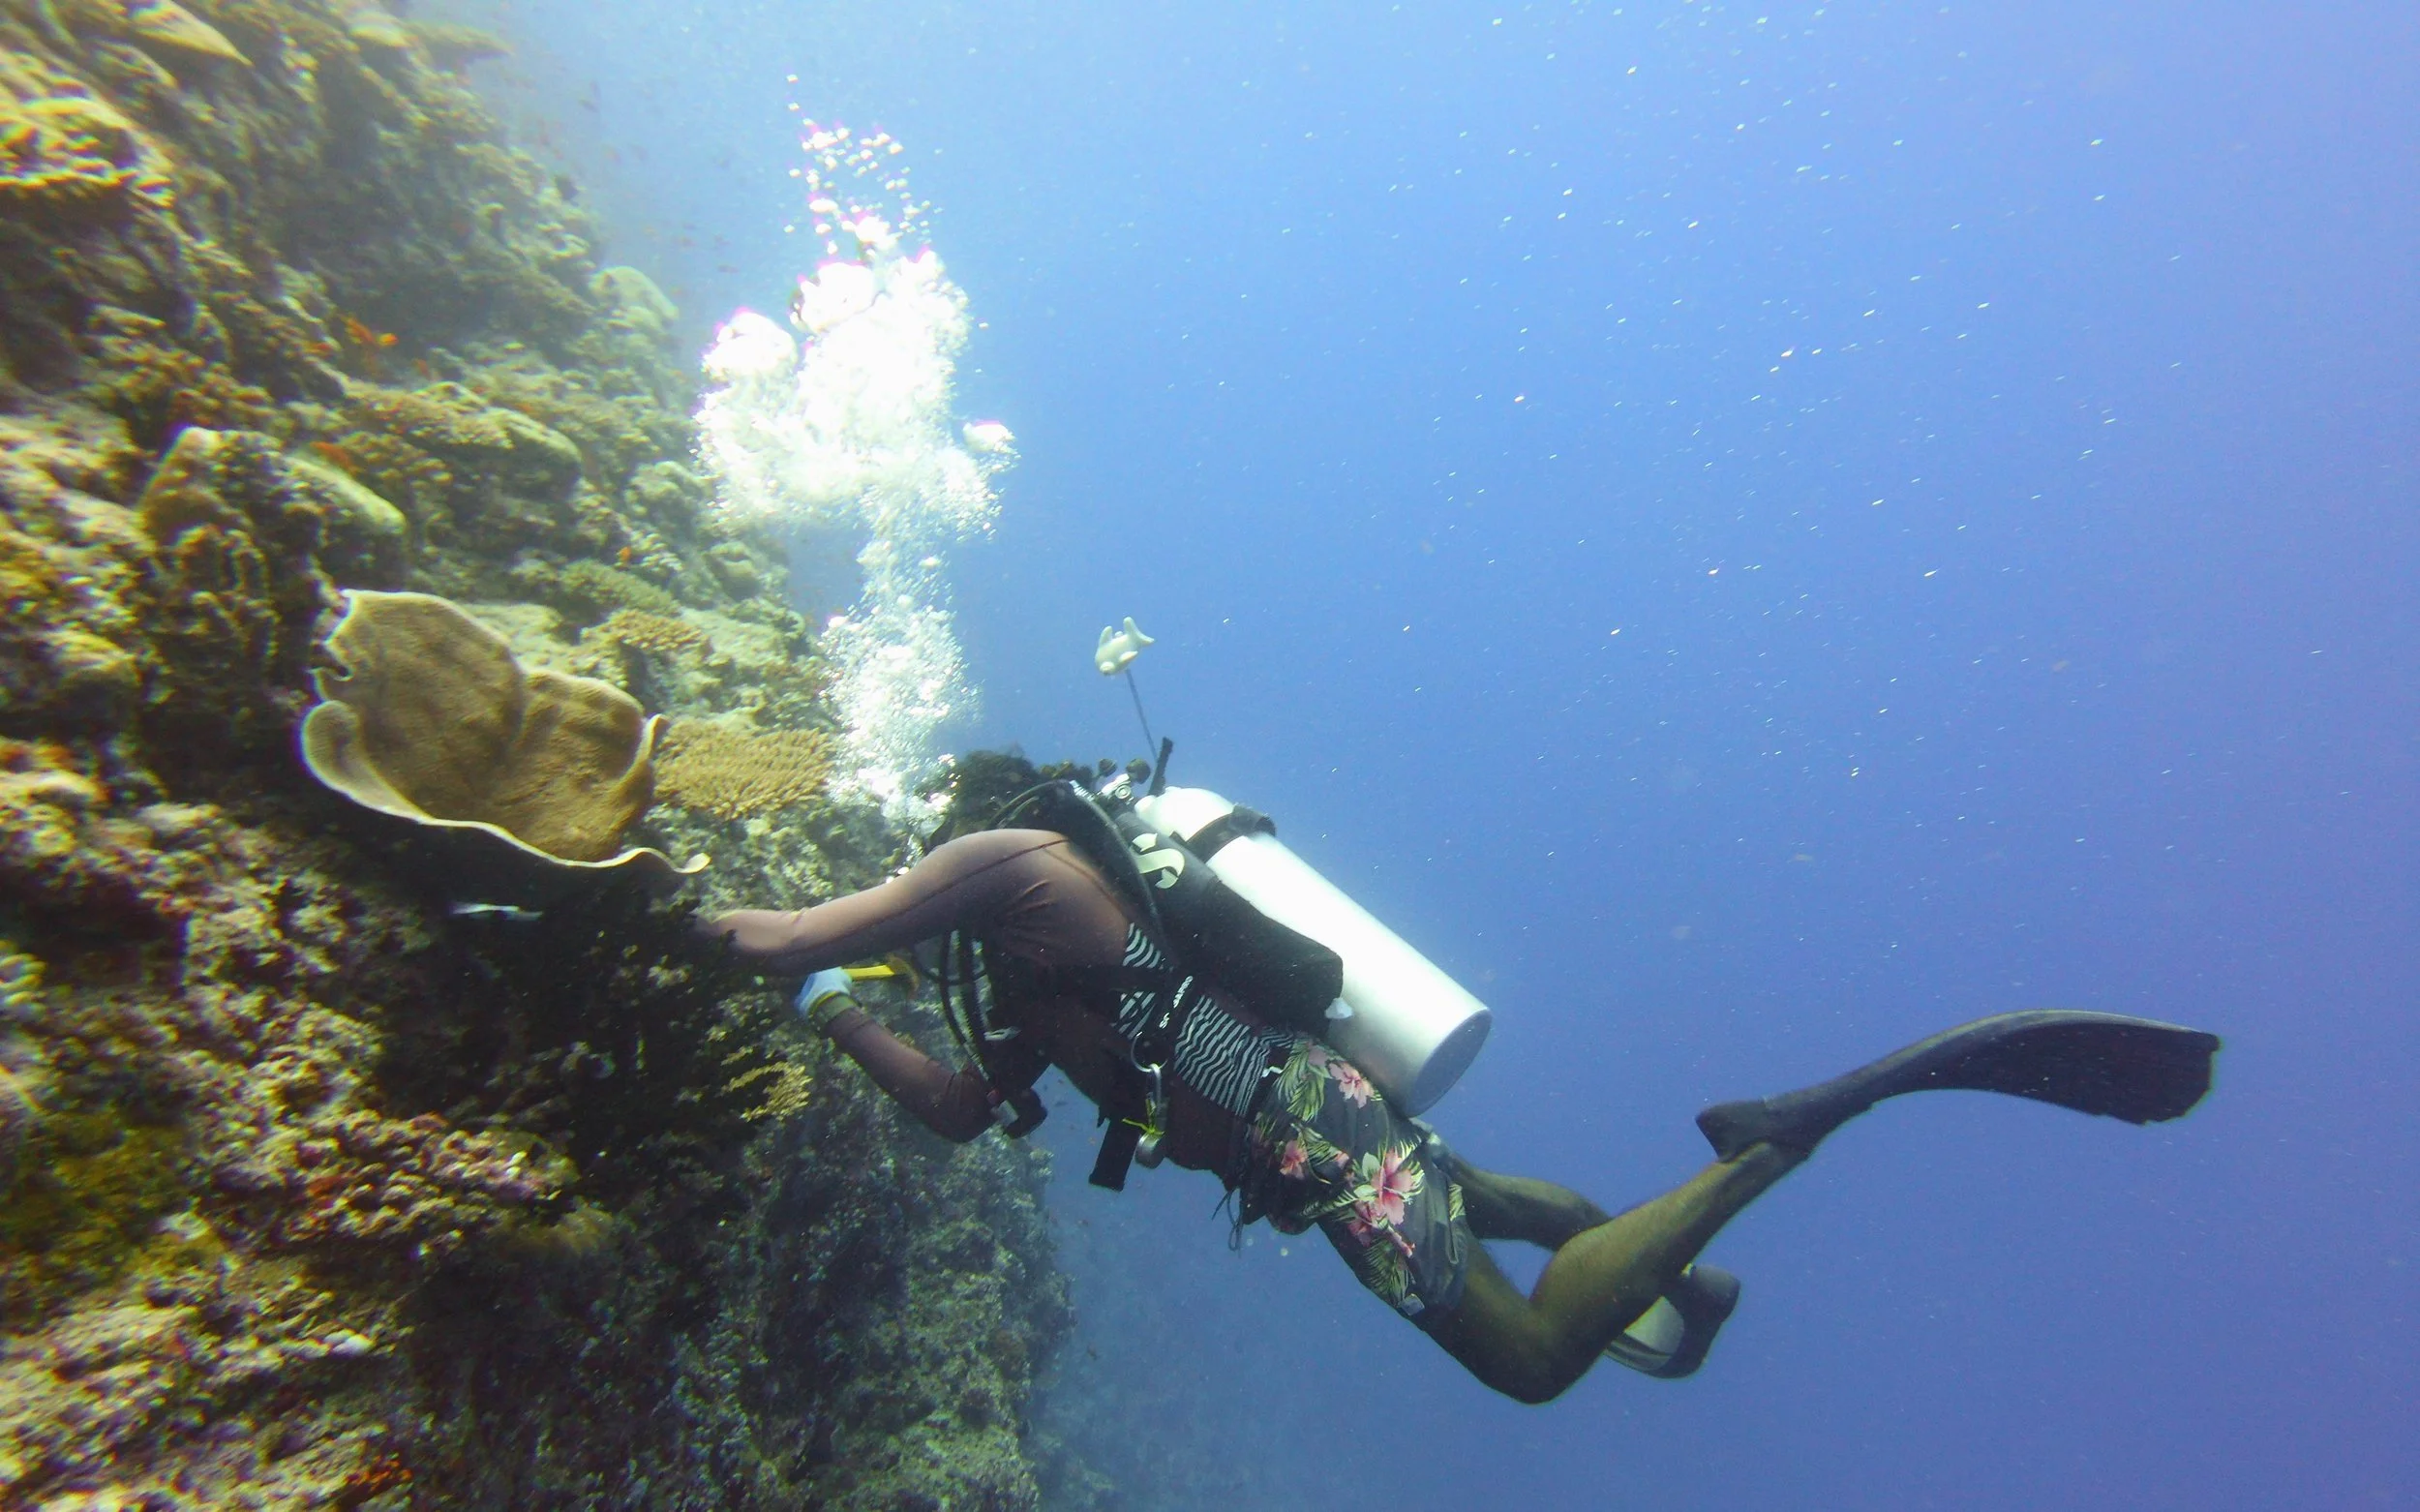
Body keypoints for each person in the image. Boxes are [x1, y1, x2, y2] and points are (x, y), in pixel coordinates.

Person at [698, 767, 2219, 1405]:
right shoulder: (1034, 971)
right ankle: (1684, 1286)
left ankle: (1768, 1144)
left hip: (1313, 1134)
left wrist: (652, 911)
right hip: (1316, 1126)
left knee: (1531, 1359)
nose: (921, 885)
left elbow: (776, 929)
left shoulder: (1005, 871)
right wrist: (842, 1020)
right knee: (1477, 1195)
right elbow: (966, 1109)